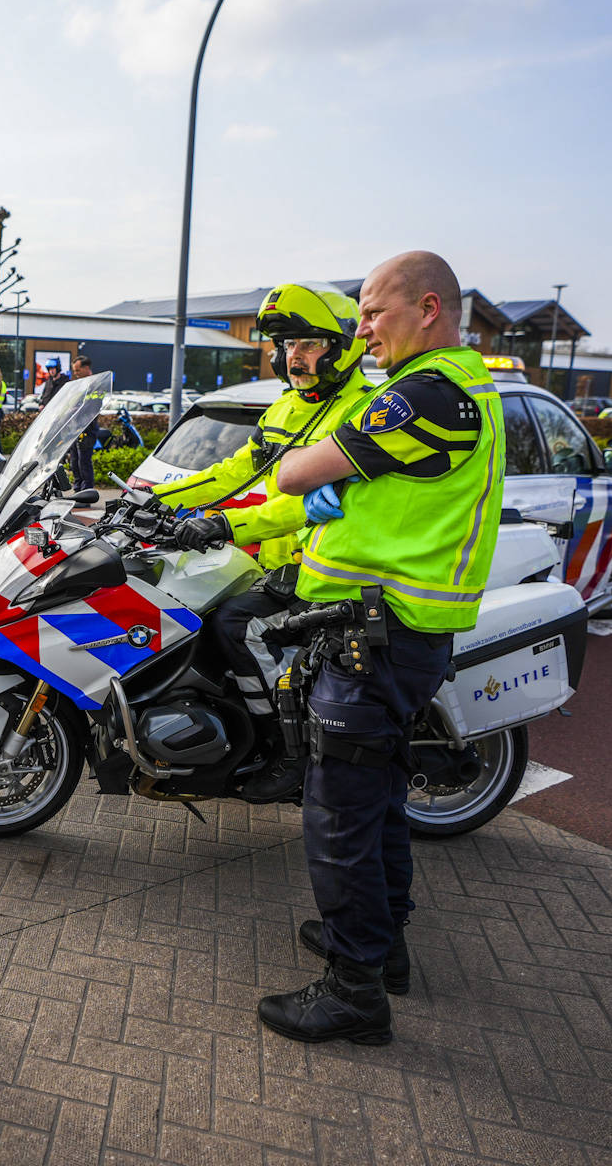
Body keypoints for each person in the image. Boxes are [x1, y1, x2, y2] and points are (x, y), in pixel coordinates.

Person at [251, 251, 503, 1047]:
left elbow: (295, 475)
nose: (362, 329)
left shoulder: (431, 391)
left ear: (429, 308)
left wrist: (312, 474)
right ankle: (380, 945)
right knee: (380, 795)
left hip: (379, 637)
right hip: (386, 634)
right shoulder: (443, 387)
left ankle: (354, 990)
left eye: (372, 311)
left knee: (341, 817)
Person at [161, 284, 378, 802]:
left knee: (237, 626)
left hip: (327, 571)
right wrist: (156, 498)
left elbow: (313, 504)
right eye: (286, 346)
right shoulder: (286, 409)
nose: (292, 357)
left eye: (307, 343)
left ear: (342, 345)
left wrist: (227, 526)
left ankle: (292, 753)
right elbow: (237, 471)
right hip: (281, 569)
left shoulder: (359, 414)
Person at [68, 355, 99, 490]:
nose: (76, 374)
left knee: (84, 463)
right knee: (74, 462)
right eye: (74, 371)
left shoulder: (95, 385)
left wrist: (78, 408)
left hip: (87, 429)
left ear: (87, 368)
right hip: (75, 428)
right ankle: (77, 490)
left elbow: (95, 405)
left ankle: (86, 492)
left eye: (78, 370)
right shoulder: (79, 385)